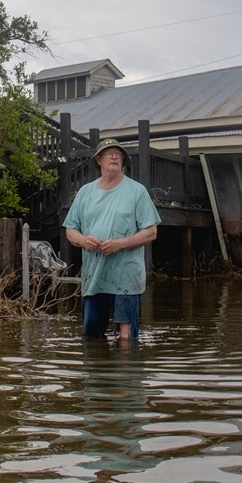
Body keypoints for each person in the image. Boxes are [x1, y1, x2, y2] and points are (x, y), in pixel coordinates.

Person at [63, 139, 160, 341]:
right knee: (91, 335)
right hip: (94, 277)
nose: (114, 156)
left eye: (118, 153)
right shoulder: (85, 192)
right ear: (99, 160)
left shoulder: (137, 191)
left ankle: (125, 371)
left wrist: (120, 244)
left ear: (123, 159)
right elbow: (70, 230)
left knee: (125, 337)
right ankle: (98, 371)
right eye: (109, 153)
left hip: (126, 277)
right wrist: (83, 241)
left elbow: (151, 232)